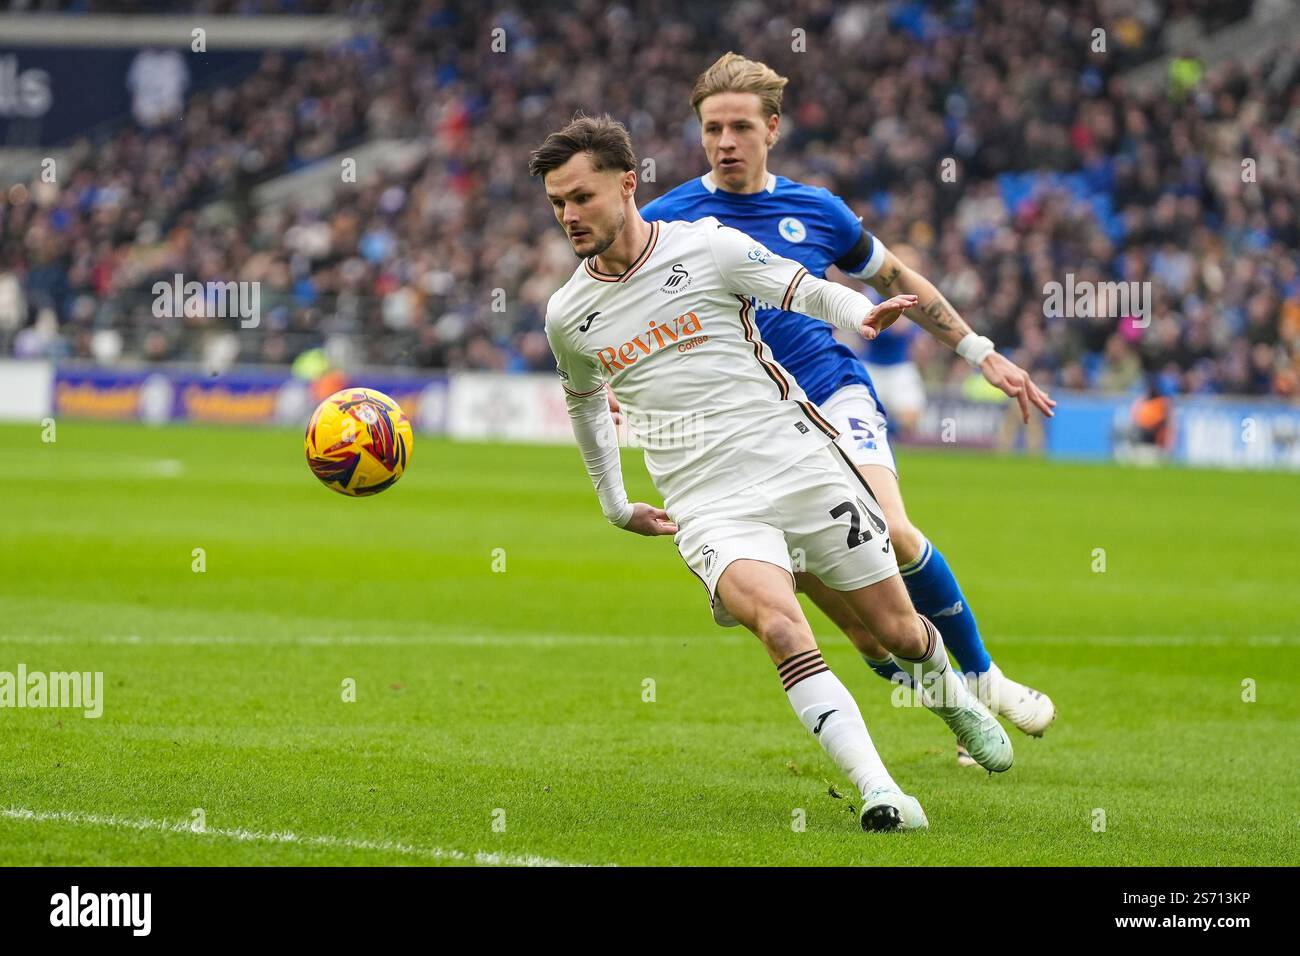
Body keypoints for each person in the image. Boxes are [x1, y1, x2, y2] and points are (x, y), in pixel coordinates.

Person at [531, 113, 1013, 832]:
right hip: (708, 504)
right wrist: (613, 503)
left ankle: (954, 702)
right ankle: (883, 792)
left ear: (628, 184)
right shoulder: (569, 314)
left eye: (582, 197)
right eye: (558, 203)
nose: (570, 215)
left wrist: (861, 312)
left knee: (895, 636)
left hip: (798, 462)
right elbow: (585, 407)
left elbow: (802, 290)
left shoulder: (708, 248)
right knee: (784, 630)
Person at [637, 53, 1057, 764]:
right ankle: (954, 700)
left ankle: (984, 676)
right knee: (867, 632)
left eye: (741, 126)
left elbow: (896, 279)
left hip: (831, 388)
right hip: (749, 434)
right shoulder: (666, 219)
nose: (725, 142)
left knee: (891, 529)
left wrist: (979, 350)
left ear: (773, 128)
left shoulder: (816, 210)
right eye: (712, 128)